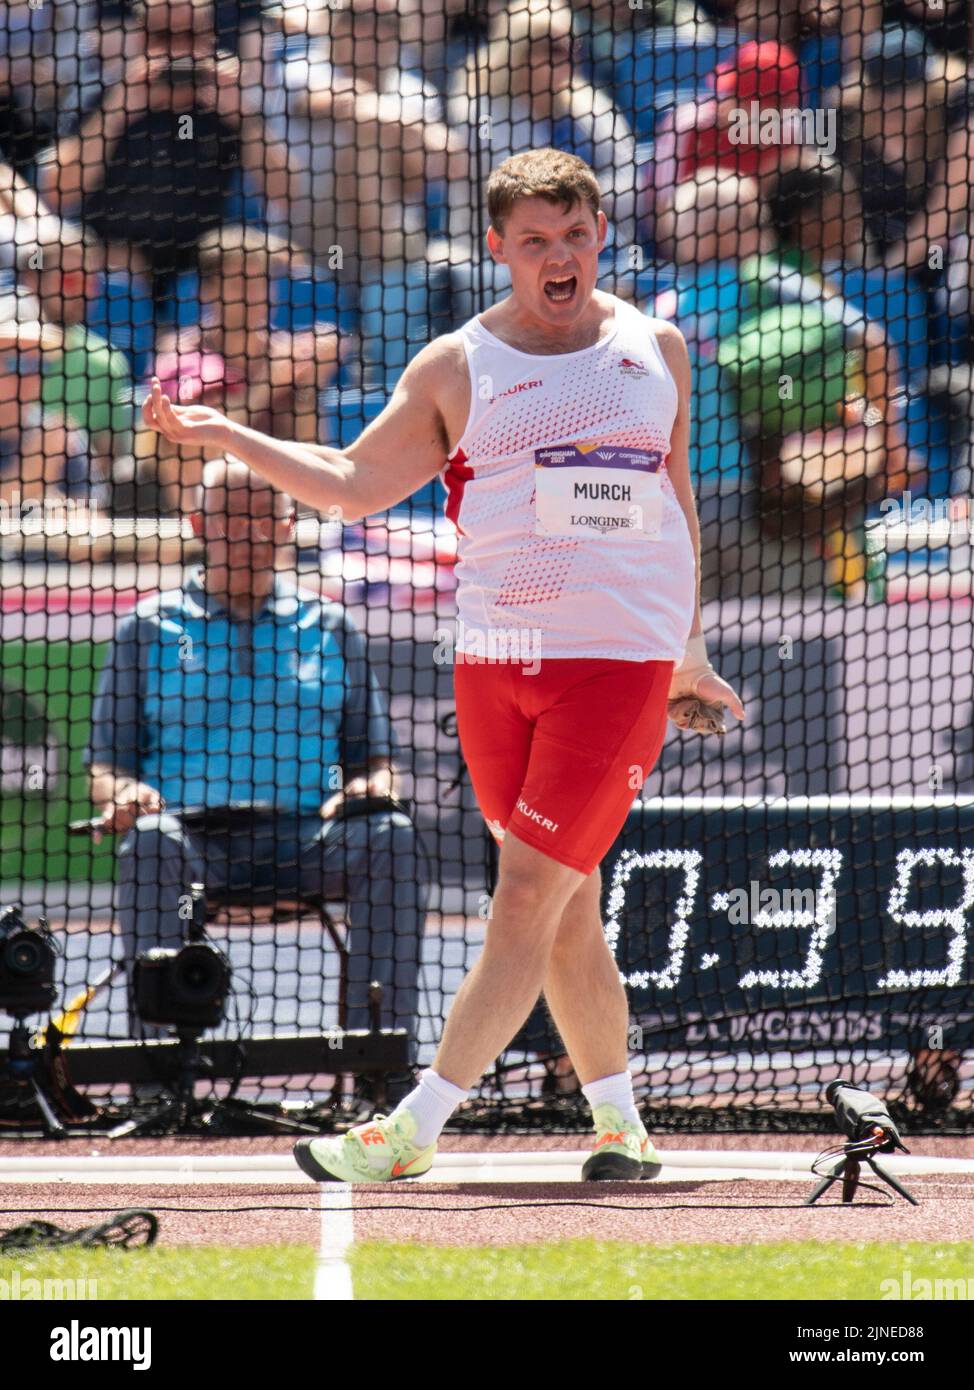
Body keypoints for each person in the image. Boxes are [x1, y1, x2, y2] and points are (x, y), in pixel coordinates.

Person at [141, 147, 745, 1183]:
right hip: (495, 666)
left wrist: (687, 650)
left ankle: (414, 1125)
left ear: (599, 232)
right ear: (497, 250)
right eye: (533, 242)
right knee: (565, 910)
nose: (558, 258)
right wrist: (224, 434)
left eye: (574, 235)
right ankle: (621, 1127)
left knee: (520, 895)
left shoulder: (658, 348)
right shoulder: (456, 366)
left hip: (615, 664)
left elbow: (672, 497)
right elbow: (345, 485)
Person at [83, 456, 426, 1091]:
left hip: (308, 842)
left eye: (264, 518)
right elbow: (105, 765)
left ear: (289, 525)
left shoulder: (331, 626)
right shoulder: (147, 629)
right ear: (197, 525)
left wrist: (370, 788)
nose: (248, 534)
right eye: (230, 519)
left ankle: (379, 1070)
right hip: (191, 843)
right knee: (150, 845)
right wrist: (127, 793)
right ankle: (160, 1078)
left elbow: (376, 761)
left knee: (392, 838)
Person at [35, 0, 289, 314]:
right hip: (113, 264)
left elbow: (285, 193)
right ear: (142, 37)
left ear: (210, 37)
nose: (179, 48)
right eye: (165, 36)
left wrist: (244, 118)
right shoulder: (103, 93)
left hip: (203, 267)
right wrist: (117, 110)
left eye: (190, 35)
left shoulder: (229, 98)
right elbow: (58, 189)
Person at [148, 224, 339, 514]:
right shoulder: (180, 353)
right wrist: (270, 383)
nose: (255, 293)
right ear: (208, 290)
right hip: (201, 514)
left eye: (261, 281)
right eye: (240, 281)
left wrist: (308, 385)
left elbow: (313, 451)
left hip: (281, 514)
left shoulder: (290, 353)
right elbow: (196, 448)